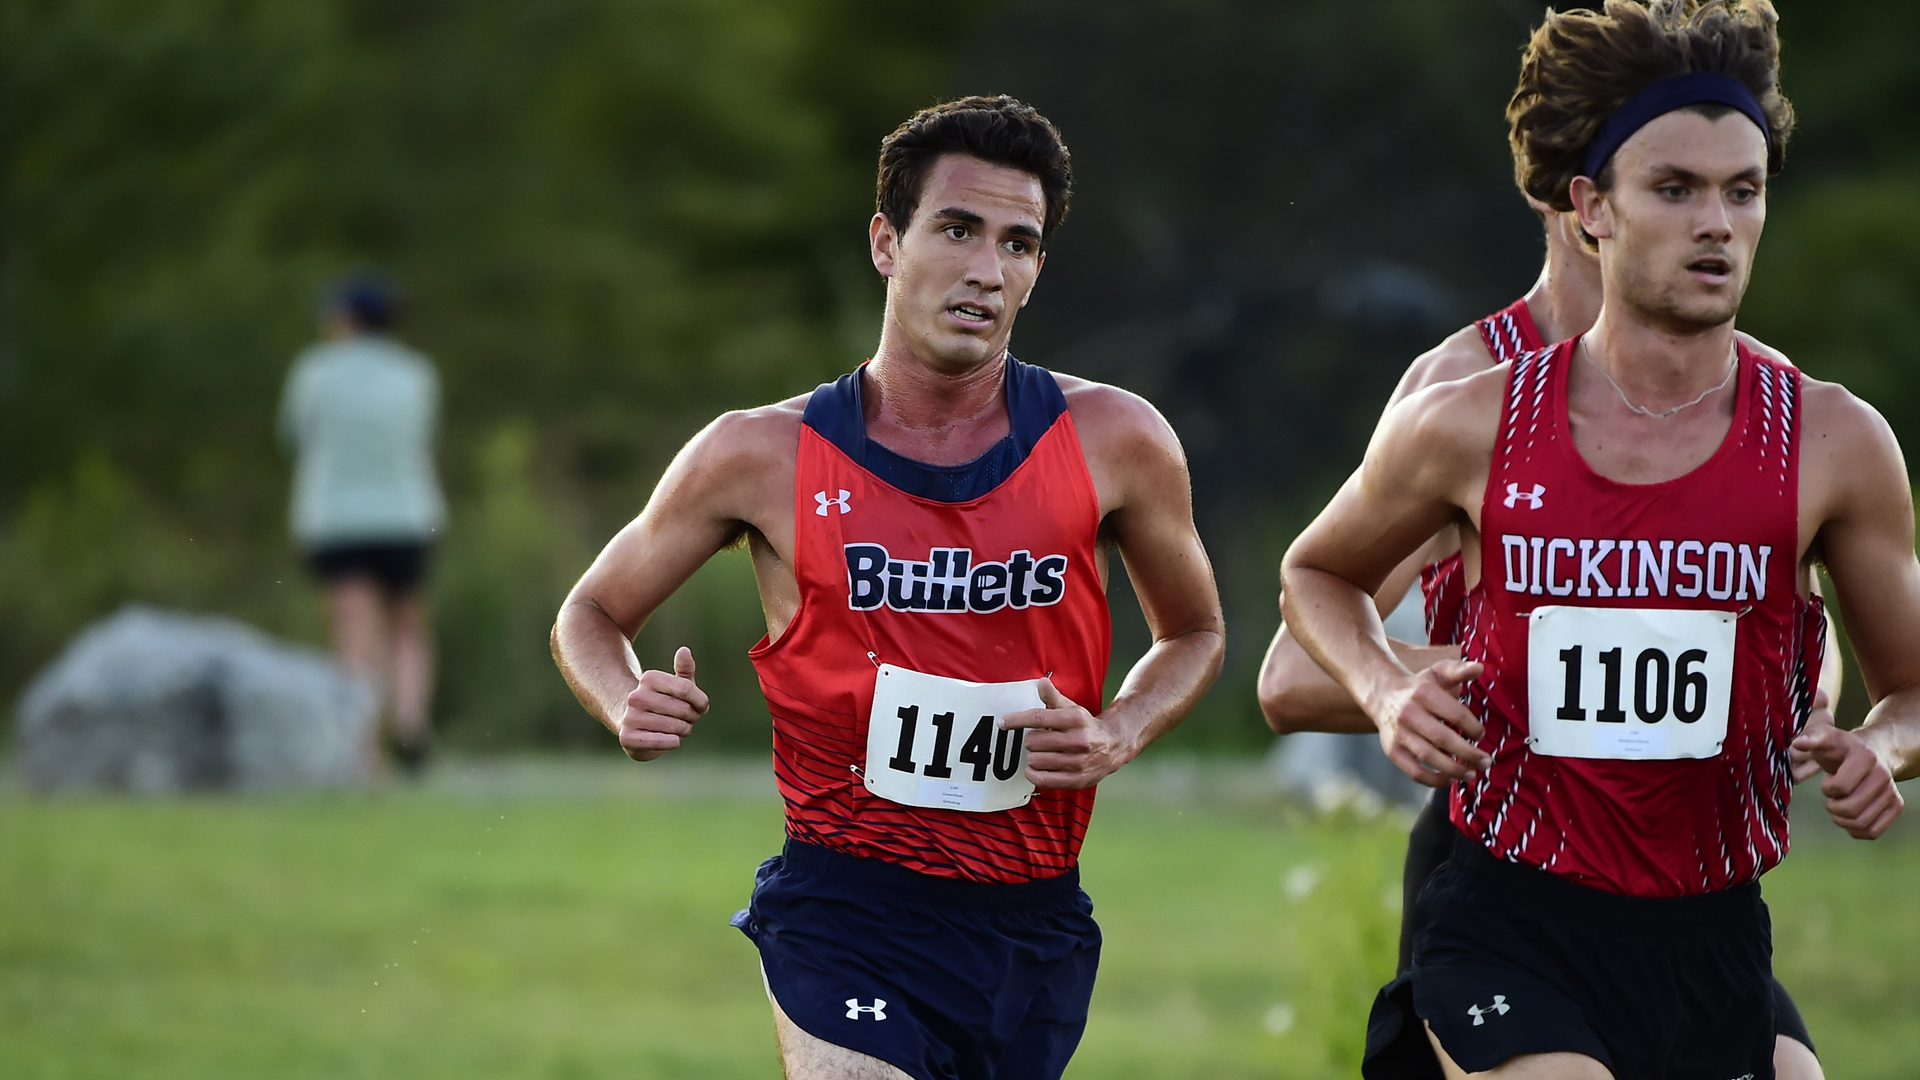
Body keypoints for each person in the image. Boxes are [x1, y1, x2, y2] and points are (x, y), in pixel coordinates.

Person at [1280, 2, 1920, 1077]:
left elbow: (1904, 688)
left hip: (1710, 928)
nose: (1716, 223)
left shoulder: (1835, 441)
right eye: (1675, 190)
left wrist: (1876, 747)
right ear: (1592, 209)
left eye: (1744, 191)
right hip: (1507, 904)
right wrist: (1395, 690)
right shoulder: (1463, 413)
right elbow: (1315, 577)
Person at [550, 96, 1224, 1080]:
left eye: (1018, 244)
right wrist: (623, 698)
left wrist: (1120, 729)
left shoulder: (1117, 441)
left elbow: (1196, 631)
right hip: (843, 910)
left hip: (1030, 918)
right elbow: (592, 611)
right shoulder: (761, 453)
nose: (986, 270)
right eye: (956, 230)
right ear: (885, 242)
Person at [279, 276, 444, 775]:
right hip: (407, 514)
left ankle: (362, 749)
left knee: (354, 630)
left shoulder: (315, 372)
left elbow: (293, 434)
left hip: (337, 518)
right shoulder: (415, 373)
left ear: (346, 318)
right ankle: (411, 721)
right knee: (406, 624)